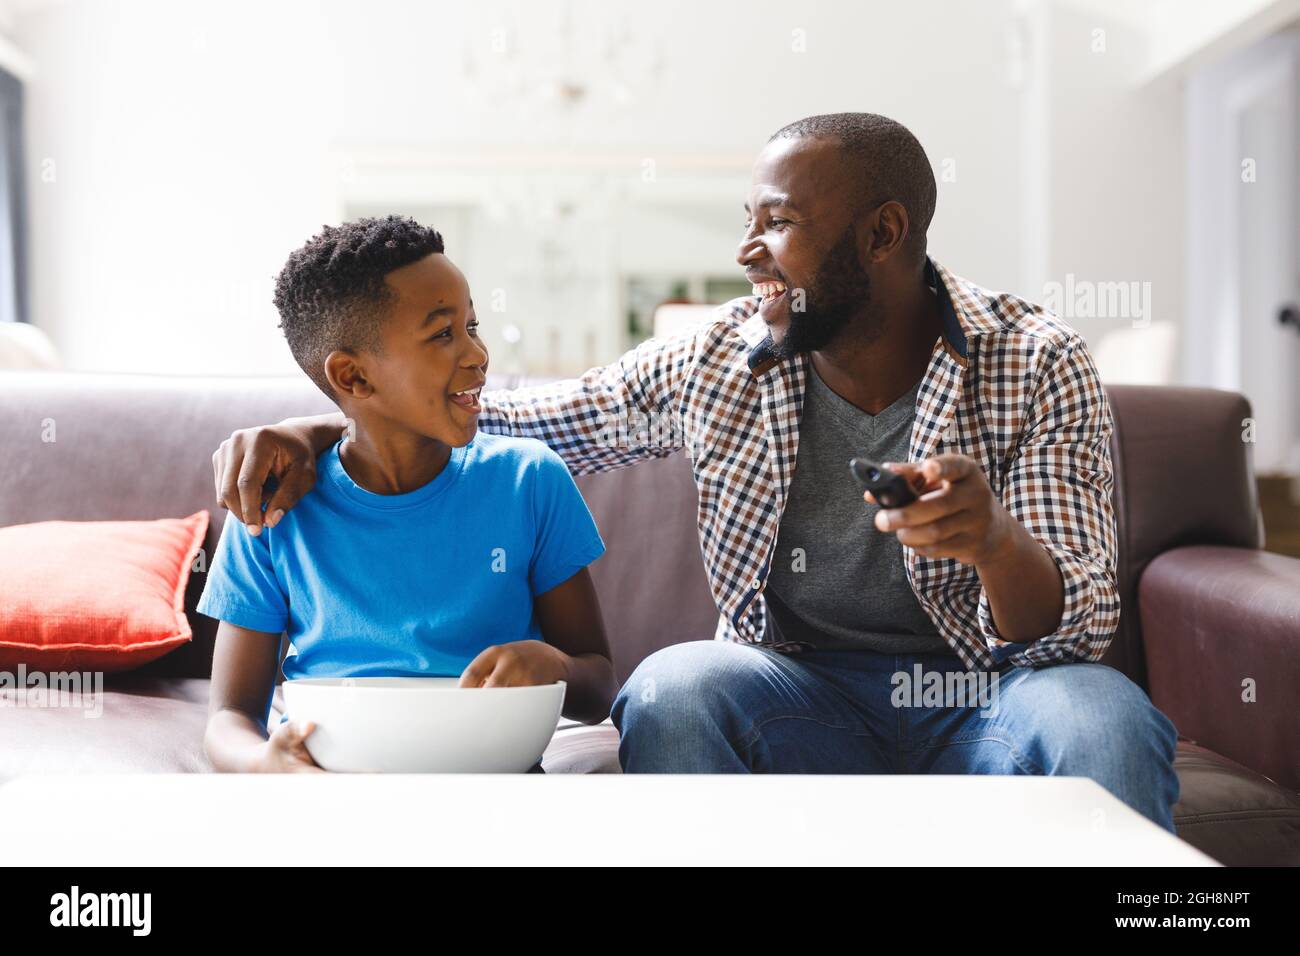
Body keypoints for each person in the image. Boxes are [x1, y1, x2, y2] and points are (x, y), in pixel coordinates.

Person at [210, 113, 1180, 832]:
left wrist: (993, 541)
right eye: (745, 218)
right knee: (674, 685)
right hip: (797, 696)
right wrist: (325, 425)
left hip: (989, 700)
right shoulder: (721, 354)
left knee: (1104, 717)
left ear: (881, 235)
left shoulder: (1036, 360)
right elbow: (517, 413)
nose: (745, 249)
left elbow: (1081, 621)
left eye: (778, 223)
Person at [199, 216, 615, 773]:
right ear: (353, 378)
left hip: (494, 788)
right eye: (443, 334)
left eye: (472, 325)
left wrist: (555, 666)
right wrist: (261, 764)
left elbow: (599, 687)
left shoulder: (529, 481)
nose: (477, 354)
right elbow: (229, 716)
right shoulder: (273, 508)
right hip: (334, 792)